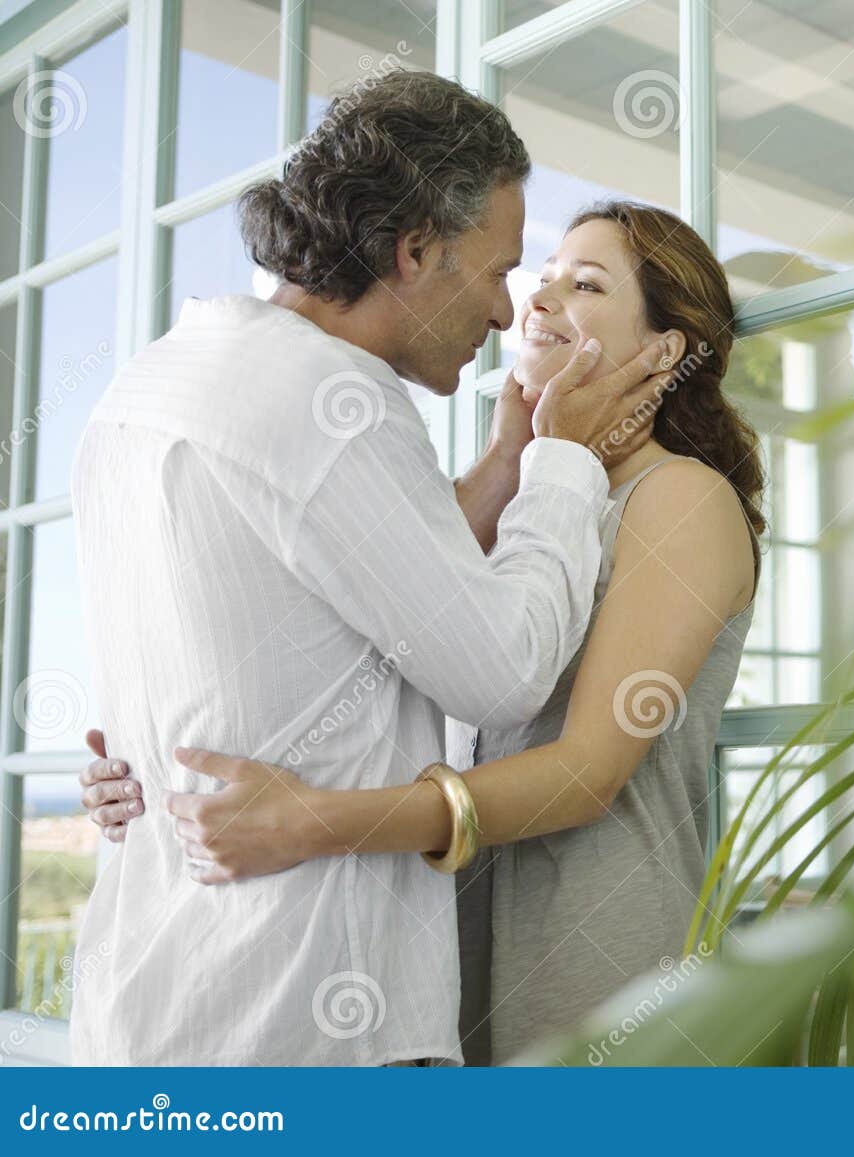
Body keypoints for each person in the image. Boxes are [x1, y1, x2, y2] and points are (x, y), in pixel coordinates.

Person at [68, 72, 674, 1067]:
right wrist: (562, 460)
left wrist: (498, 468)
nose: (501, 315)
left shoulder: (157, 383)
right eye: (497, 273)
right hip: (305, 1020)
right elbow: (505, 667)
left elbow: (350, 567)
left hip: (152, 1007)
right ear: (415, 250)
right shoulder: (330, 400)